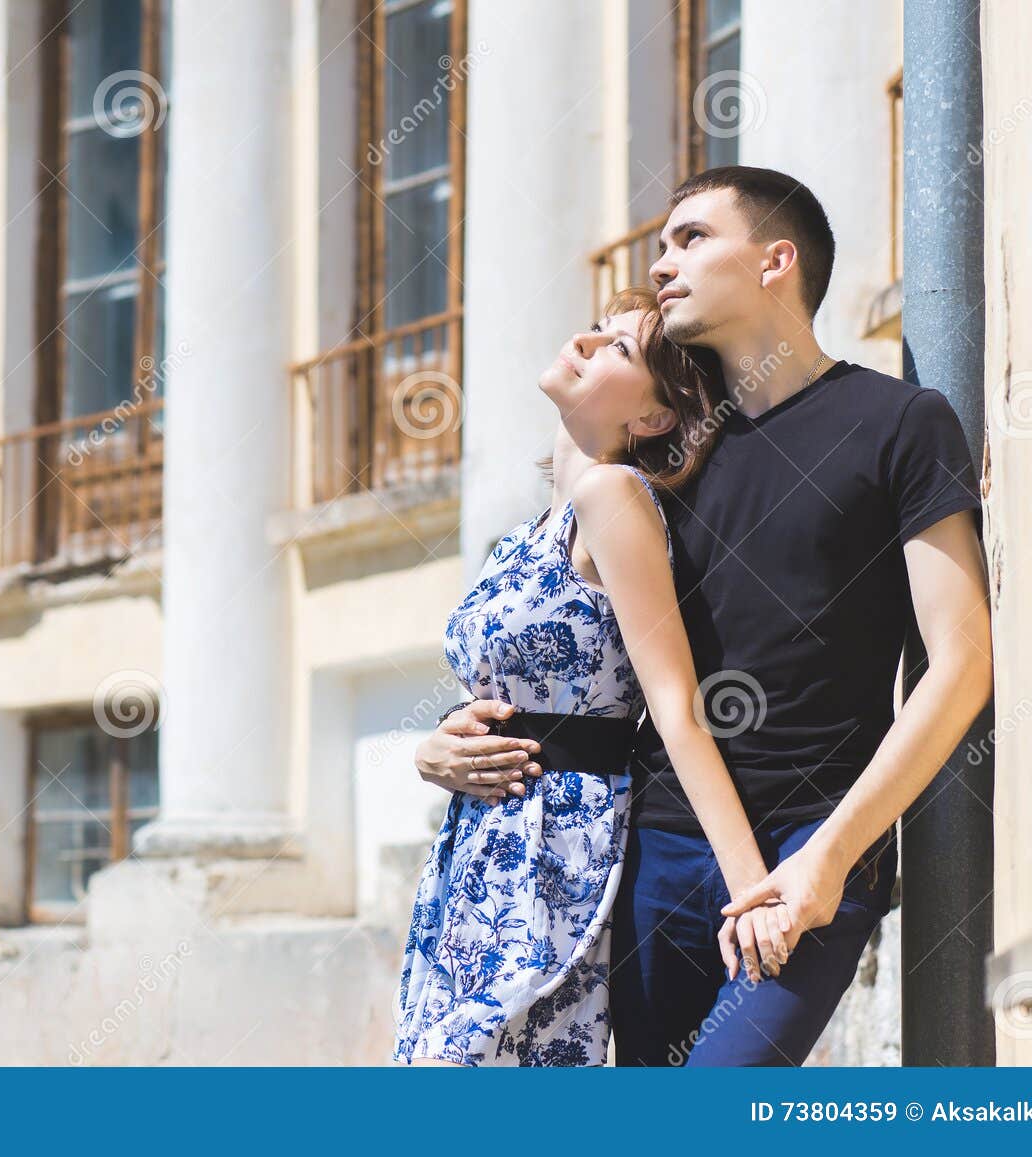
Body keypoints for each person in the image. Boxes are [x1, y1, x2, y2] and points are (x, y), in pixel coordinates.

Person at [428, 166, 993, 1066]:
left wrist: (830, 858)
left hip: (815, 837)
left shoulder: (900, 423)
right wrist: (461, 733)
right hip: (654, 847)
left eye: (691, 238)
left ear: (776, 260)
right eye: (661, 244)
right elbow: (579, 643)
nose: (662, 263)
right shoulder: (664, 455)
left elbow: (961, 665)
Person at [394, 287, 791, 1067]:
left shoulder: (612, 497)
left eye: (618, 348)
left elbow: (674, 702)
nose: (585, 339)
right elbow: (507, 695)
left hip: (553, 855)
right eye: (599, 328)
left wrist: (754, 890)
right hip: (476, 852)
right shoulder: (521, 538)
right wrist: (428, 752)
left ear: (653, 418)